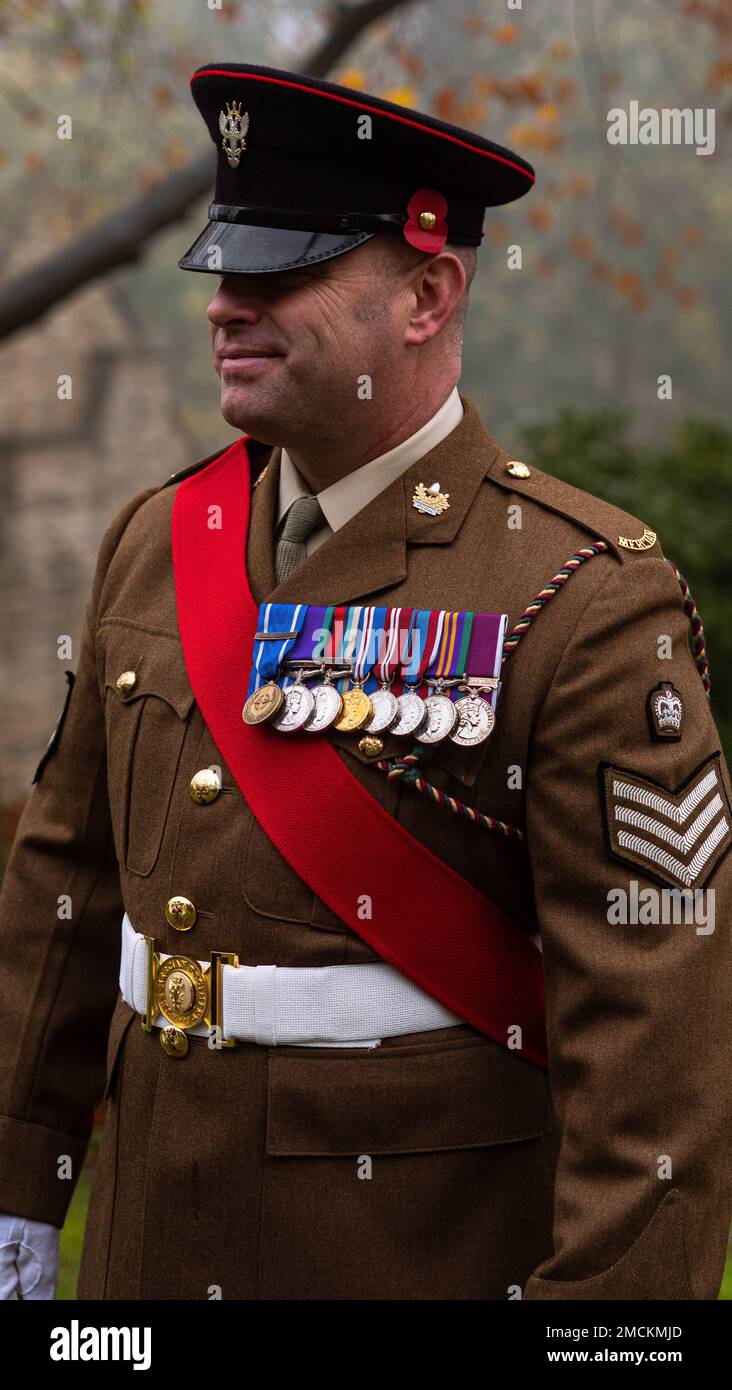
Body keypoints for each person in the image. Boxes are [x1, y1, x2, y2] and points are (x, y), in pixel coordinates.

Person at [0, 60, 730, 1302]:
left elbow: (655, 1069)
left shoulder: (589, 599)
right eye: (224, 268)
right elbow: (63, 907)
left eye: (282, 269)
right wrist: (19, 1210)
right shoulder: (153, 540)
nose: (228, 304)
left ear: (429, 294)